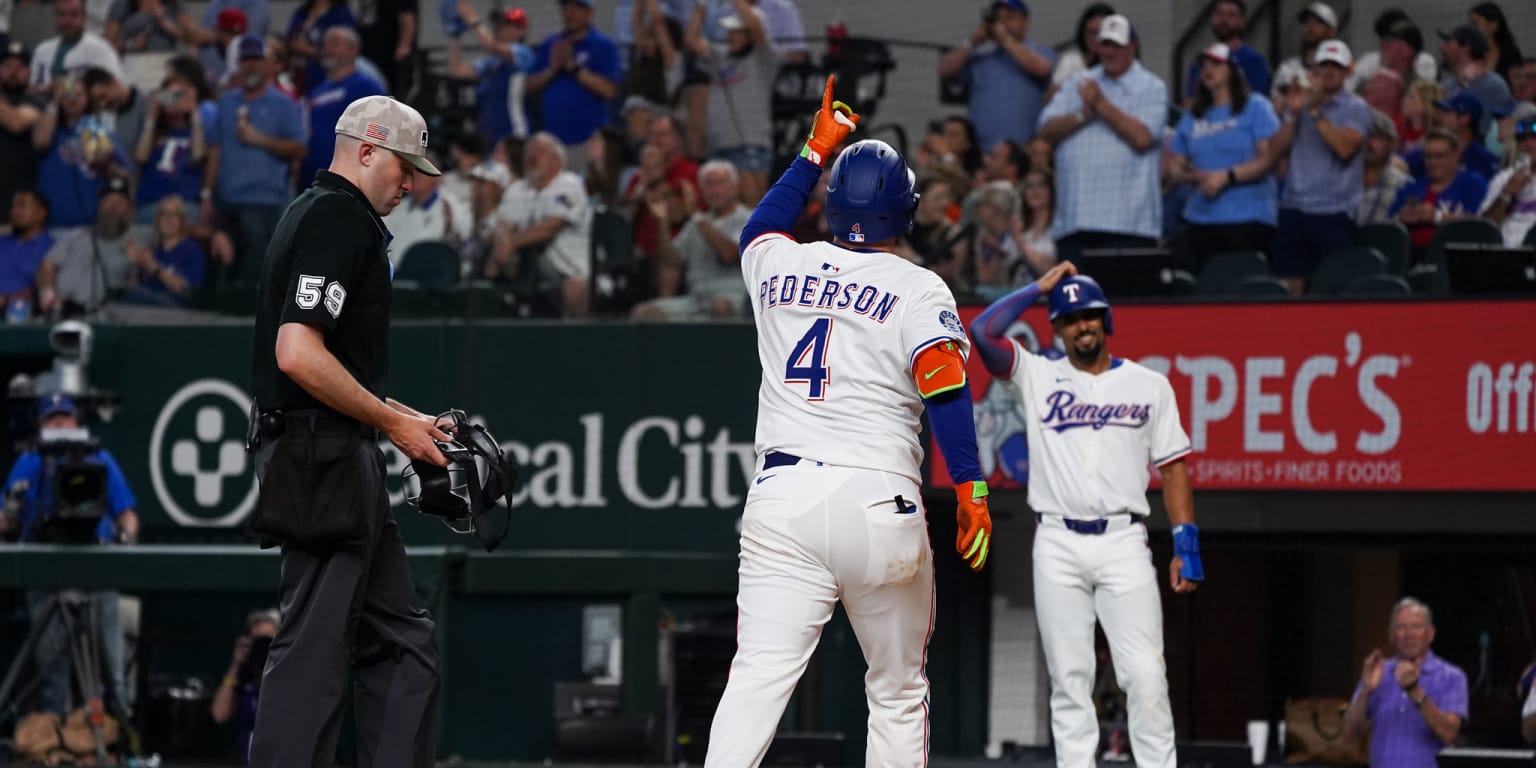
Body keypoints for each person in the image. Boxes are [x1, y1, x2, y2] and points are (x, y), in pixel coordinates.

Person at [704, 76, 993, 767]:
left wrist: (811, 149)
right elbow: (946, 388)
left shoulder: (780, 262)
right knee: (896, 690)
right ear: (907, 213)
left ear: (831, 206)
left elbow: (757, 227)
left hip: (783, 500)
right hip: (877, 501)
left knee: (755, 678)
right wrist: (972, 488)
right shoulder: (918, 285)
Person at [245, 94, 450, 768]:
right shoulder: (340, 216)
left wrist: (402, 422)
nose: (412, 182)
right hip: (318, 458)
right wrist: (391, 421)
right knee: (313, 651)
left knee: (404, 644)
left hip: (335, 449)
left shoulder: (317, 211)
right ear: (366, 150)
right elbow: (297, 353)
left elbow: (329, 360)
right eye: (405, 165)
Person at [968, 262, 1201, 768]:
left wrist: (1186, 543)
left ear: (1107, 320)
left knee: (1145, 675)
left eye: (1090, 316)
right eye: (1070, 318)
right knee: (1070, 678)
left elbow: (1174, 467)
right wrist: (1037, 288)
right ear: (1057, 327)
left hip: (1124, 540)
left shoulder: (1149, 385)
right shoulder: (1037, 374)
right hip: (1056, 542)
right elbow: (981, 332)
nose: (1082, 326)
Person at [0, 393, 139, 718]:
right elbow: (6, 520)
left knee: (111, 666)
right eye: (52, 418)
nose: (60, 424)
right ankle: (57, 741)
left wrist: (125, 539)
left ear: (77, 422)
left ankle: (121, 736)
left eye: (65, 417)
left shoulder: (98, 457)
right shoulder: (30, 461)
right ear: (42, 425)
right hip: (46, 569)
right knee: (53, 671)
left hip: (96, 566)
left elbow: (127, 515)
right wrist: (13, 508)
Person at [1037, 13, 1166, 265]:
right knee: (1075, 305)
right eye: (1105, 44)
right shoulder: (1079, 82)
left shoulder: (1151, 86)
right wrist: (1083, 115)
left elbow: (1142, 138)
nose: (1110, 51)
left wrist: (1100, 104)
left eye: (1117, 45)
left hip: (1129, 225)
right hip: (1074, 222)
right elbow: (1045, 129)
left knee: (1127, 303)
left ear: (1132, 46)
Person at [1269, 39, 1371, 295]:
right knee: (1289, 285)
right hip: (1294, 207)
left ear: (1347, 71)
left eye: (1336, 67)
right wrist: (1292, 114)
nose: (1329, 72)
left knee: (1330, 288)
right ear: (1313, 70)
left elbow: (1345, 149)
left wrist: (1314, 112)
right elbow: (1274, 151)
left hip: (1334, 212)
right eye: (1324, 65)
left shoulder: (1357, 108)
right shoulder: (1298, 106)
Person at [1167, 42, 1280, 270]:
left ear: (1232, 69)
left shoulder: (1256, 107)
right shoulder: (1193, 116)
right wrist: (1191, 176)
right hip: (1200, 218)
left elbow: (1267, 158)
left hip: (1248, 219)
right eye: (1204, 65)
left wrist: (1227, 177)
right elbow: (1175, 167)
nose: (1208, 69)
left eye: (1216, 64)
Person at [1342, 597, 1467, 768]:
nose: (1408, 634)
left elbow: (1449, 733)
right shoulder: (1378, 672)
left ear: (1430, 634)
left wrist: (1413, 690)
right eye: (1401, 627)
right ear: (1391, 635)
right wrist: (1366, 691)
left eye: (1416, 626)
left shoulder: (1452, 677)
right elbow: (1349, 735)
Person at [937, 0, 1054, 151]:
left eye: (1010, 17)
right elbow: (945, 71)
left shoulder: (1041, 52)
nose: (1003, 23)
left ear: (1025, 22)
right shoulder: (980, 58)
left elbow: (1043, 69)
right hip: (980, 151)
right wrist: (972, 42)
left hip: (1022, 151)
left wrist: (1006, 40)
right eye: (999, 18)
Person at [210, 609, 279, 765]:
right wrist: (237, 663)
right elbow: (219, 714)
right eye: (258, 640)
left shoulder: (290, 674)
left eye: (268, 640)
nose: (263, 646)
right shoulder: (245, 674)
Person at [1478, 114, 1536, 246]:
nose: (1529, 143)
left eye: (1534, 137)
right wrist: (1506, 193)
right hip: (1507, 254)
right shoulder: (1503, 178)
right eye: (1522, 139)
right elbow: (1486, 228)